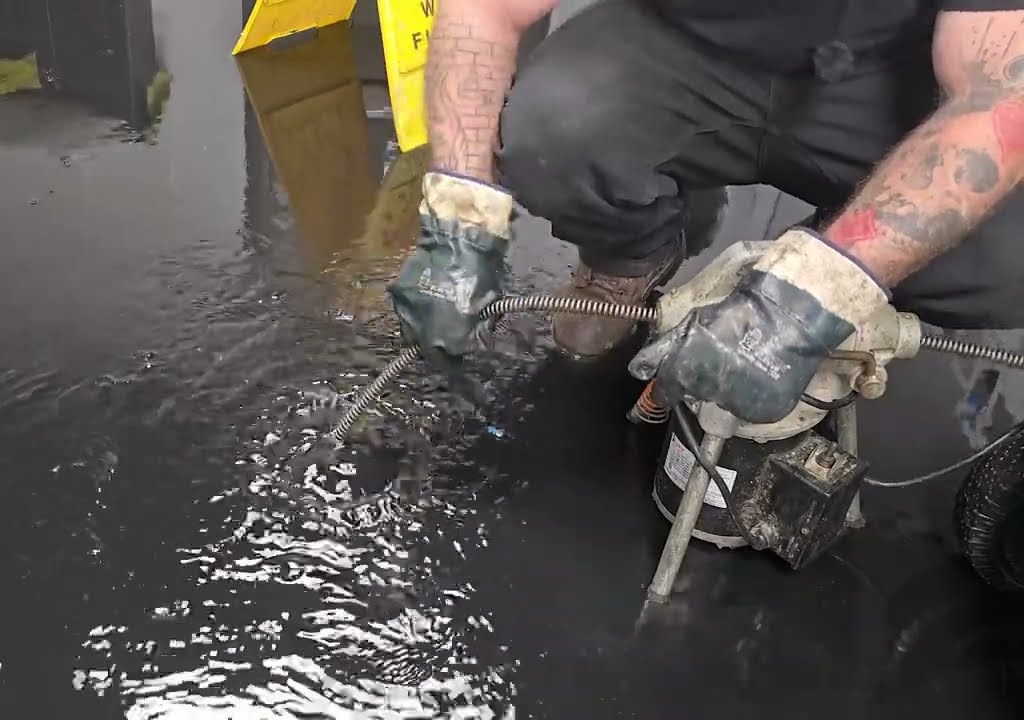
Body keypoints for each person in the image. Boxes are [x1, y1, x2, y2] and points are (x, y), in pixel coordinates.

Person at [386, 0, 1024, 425]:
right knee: (554, 128)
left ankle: (811, 285)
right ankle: (633, 254)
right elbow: (486, 8)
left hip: (890, 77)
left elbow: (1002, 87)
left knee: (1006, 259)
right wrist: (457, 219)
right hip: (681, 47)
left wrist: (820, 289)